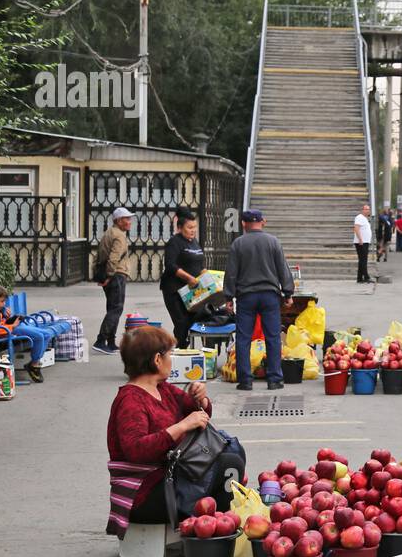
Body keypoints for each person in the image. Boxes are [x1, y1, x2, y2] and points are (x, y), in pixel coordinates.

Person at [105, 325, 242, 527]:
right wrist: (182, 426)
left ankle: (212, 529)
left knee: (231, 449)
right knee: (228, 465)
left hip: (170, 476)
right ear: (157, 360)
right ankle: (213, 532)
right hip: (145, 493)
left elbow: (198, 412)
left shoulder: (162, 388)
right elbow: (136, 449)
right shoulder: (130, 401)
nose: (172, 359)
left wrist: (200, 399)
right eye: (170, 354)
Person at [223, 209, 294, 391]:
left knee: (243, 338)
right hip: (269, 295)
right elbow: (283, 269)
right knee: (272, 337)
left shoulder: (238, 244)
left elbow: (231, 273)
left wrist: (228, 297)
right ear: (263, 221)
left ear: (243, 224)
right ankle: (275, 379)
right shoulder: (273, 242)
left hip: (246, 296)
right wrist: (288, 293)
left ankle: (245, 381)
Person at [0, 285, 51, 383]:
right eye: (2, 301)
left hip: (11, 329)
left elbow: (1, 322)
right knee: (39, 336)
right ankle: (34, 365)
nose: (4, 304)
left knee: (47, 334)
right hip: (8, 332)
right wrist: (13, 325)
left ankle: (34, 363)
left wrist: (8, 317)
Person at [161, 208, 204, 348]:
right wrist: (189, 278)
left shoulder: (194, 242)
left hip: (191, 290)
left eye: (194, 227)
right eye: (189, 227)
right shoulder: (175, 242)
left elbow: (199, 263)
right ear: (180, 228)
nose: (193, 230)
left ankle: (183, 349)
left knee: (191, 320)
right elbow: (170, 266)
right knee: (181, 321)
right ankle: (179, 352)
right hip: (174, 290)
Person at [93, 206, 134, 355]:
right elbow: (114, 258)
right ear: (118, 220)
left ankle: (110, 342)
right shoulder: (119, 236)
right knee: (116, 309)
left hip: (112, 276)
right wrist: (109, 276)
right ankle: (101, 340)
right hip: (117, 275)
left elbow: (100, 256)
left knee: (112, 308)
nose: (130, 222)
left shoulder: (109, 233)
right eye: (127, 219)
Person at [353, 203, 373, 283]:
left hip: (365, 241)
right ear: (362, 210)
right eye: (366, 209)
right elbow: (356, 228)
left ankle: (359, 278)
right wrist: (360, 239)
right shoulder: (359, 217)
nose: (368, 210)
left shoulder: (365, 218)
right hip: (361, 242)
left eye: (368, 209)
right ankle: (366, 277)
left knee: (362, 260)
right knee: (363, 260)